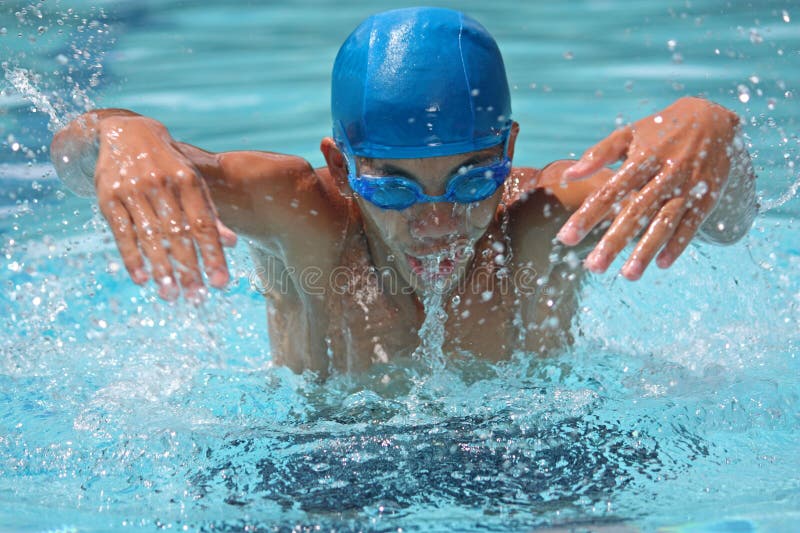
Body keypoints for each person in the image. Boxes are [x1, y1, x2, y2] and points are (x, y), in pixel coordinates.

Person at [50, 7, 757, 376]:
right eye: (392, 187)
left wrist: (715, 137)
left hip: (538, 466)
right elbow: (79, 157)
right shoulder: (305, 216)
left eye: (473, 177)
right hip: (317, 470)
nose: (437, 220)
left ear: (507, 153)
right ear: (339, 167)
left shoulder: (545, 218)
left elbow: (728, 223)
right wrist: (121, 136)